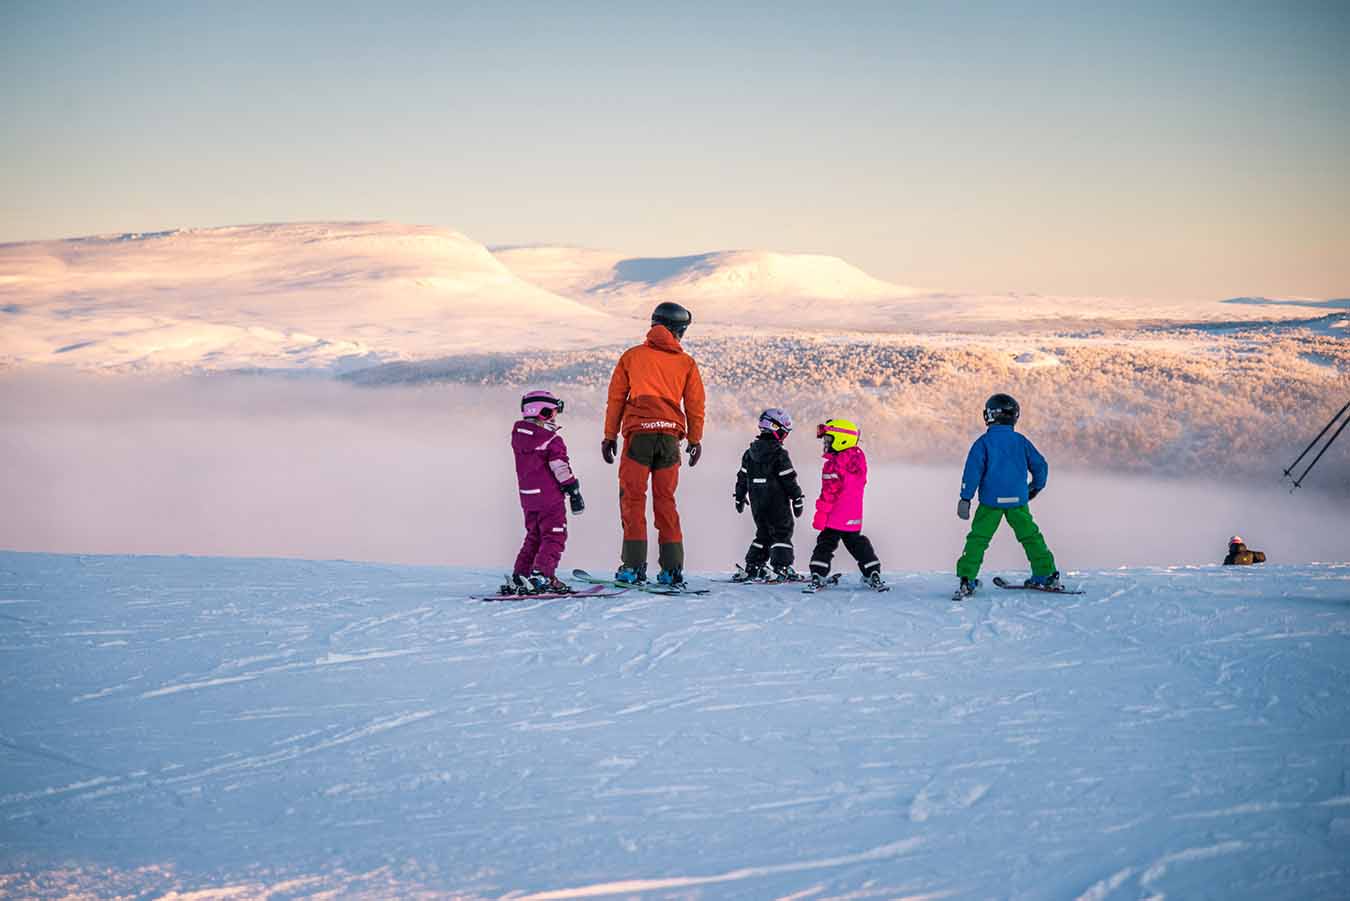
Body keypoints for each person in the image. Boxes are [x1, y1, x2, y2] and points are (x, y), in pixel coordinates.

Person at [602, 302, 707, 587]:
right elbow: (695, 406)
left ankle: (633, 567)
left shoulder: (632, 357)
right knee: (666, 502)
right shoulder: (686, 363)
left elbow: (616, 401)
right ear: (679, 330)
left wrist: (609, 436)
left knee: (633, 500)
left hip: (639, 438)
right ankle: (672, 570)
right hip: (670, 441)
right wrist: (695, 440)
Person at [954, 393, 1059, 598]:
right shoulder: (1021, 442)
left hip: (990, 503)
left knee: (978, 539)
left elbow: (972, 472)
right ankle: (1046, 574)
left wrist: (965, 497)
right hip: (1018, 501)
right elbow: (1040, 466)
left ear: (990, 415)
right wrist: (1035, 487)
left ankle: (967, 578)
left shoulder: (983, 443)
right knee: (1030, 537)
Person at [503, 389, 585, 595]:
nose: (556, 416)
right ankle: (543, 575)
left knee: (533, 536)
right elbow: (559, 467)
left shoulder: (520, 438)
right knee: (554, 535)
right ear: (544, 413)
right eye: (554, 412)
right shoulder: (551, 440)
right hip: (549, 497)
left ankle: (521, 575)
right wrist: (573, 489)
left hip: (528, 496)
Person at [808, 418, 887, 590]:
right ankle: (872, 571)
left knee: (825, 543)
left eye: (829, 440)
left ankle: (818, 573)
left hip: (834, 515)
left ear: (842, 439)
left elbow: (828, 494)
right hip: (853, 516)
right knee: (857, 543)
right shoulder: (858, 459)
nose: (826, 444)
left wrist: (820, 515)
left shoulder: (833, 465)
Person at [733, 408, 806, 581]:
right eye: (783, 433)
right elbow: (789, 478)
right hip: (776, 501)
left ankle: (754, 564)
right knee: (782, 531)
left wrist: (739, 495)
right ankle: (782, 566)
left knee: (763, 532)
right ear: (775, 429)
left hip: (757, 501)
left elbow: (742, 476)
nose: (784, 437)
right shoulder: (779, 454)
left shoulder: (749, 453)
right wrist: (797, 498)